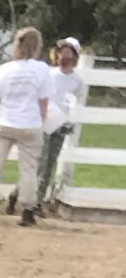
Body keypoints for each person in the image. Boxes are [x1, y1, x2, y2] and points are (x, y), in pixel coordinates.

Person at [0, 26, 54, 226]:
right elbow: (44, 102)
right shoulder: (41, 69)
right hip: (30, 124)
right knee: (29, 169)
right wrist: (41, 121)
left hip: (5, 122)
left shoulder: (6, 69)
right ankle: (27, 211)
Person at [40, 36, 84, 213]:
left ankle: (36, 201)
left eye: (67, 52)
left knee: (49, 164)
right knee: (39, 163)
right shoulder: (49, 74)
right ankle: (21, 195)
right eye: (61, 51)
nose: (63, 55)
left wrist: (68, 121)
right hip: (45, 122)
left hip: (60, 124)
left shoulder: (77, 80)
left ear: (74, 56)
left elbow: (74, 103)